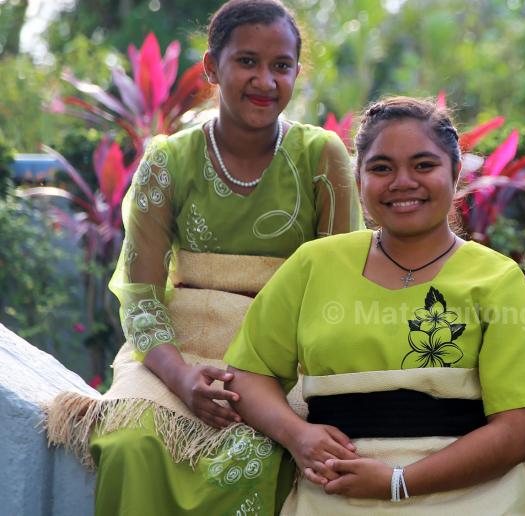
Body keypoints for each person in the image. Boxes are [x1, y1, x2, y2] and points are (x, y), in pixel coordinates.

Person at [45, 1, 362, 514]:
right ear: (212, 67)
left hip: (283, 359)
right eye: (247, 62)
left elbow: (345, 284)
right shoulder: (168, 161)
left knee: (255, 456)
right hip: (179, 351)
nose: (265, 80)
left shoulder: (320, 156)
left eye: (281, 66)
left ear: (297, 74)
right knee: (129, 445)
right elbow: (142, 298)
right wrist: (183, 379)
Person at [222, 96, 525, 514]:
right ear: (358, 176)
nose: (403, 181)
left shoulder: (496, 279)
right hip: (335, 491)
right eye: (381, 168)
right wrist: (297, 435)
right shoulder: (313, 264)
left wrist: (397, 482)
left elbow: (515, 433)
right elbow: (247, 374)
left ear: (456, 173)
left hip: (472, 494)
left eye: (424, 165)